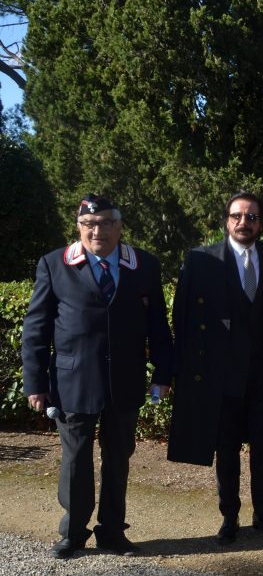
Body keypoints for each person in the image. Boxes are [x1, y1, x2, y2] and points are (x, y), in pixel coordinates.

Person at [21, 194, 173, 559]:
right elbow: (36, 329)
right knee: (76, 460)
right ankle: (72, 533)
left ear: (119, 226)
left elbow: (158, 327)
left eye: (105, 223)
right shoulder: (54, 264)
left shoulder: (144, 265)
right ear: (79, 227)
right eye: (89, 224)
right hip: (73, 381)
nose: (97, 230)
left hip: (126, 379)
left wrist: (164, 374)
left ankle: (112, 532)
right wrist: (35, 382)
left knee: (118, 457)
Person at [167, 192, 263, 545]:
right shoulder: (201, 259)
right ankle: (229, 517)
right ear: (226, 220)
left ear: (261, 223)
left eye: (252, 217)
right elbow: (183, 318)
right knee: (226, 452)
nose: (244, 222)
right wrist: (183, 371)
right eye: (237, 216)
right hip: (220, 376)